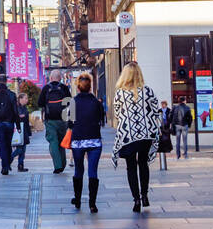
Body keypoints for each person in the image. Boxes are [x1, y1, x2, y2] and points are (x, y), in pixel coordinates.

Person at [111, 62, 161, 214]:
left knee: (131, 167)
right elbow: (156, 110)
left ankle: (136, 200)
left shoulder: (120, 93)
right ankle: (144, 194)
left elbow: (117, 114)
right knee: (143, 163)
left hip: (128, 135)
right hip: (146, 134)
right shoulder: (148, 91)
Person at [68, 72, 106, 213]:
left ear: (78, 87)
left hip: (78, 141)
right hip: (94, 141)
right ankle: (92, 204)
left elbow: (70, 123)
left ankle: (77, 199)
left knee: (79, 170)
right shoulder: (96, 102)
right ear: (90, 87)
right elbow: (101, 120)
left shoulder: (73, 102)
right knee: (92, 171)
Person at [37, 70, 73, 174]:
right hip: (62, 120)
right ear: (60, 78)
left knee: (53, 142)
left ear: (51, 78)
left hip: (50, 120)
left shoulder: (46, 88)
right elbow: (70, 102)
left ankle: (57, 165)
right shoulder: (64, 88)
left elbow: (40, 103)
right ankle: (63, 163)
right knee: (62, 141)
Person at [13, 91, 32, 172]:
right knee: (20, 149)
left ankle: (20, 165)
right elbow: (18, 116)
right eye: (25, 98)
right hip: (19, 130)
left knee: (23, 149)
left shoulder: (24, 107)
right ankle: (8, 159)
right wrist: (21, 116)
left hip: (24, 130)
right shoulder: (17, 107)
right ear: (20, 99)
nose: (27, 100)